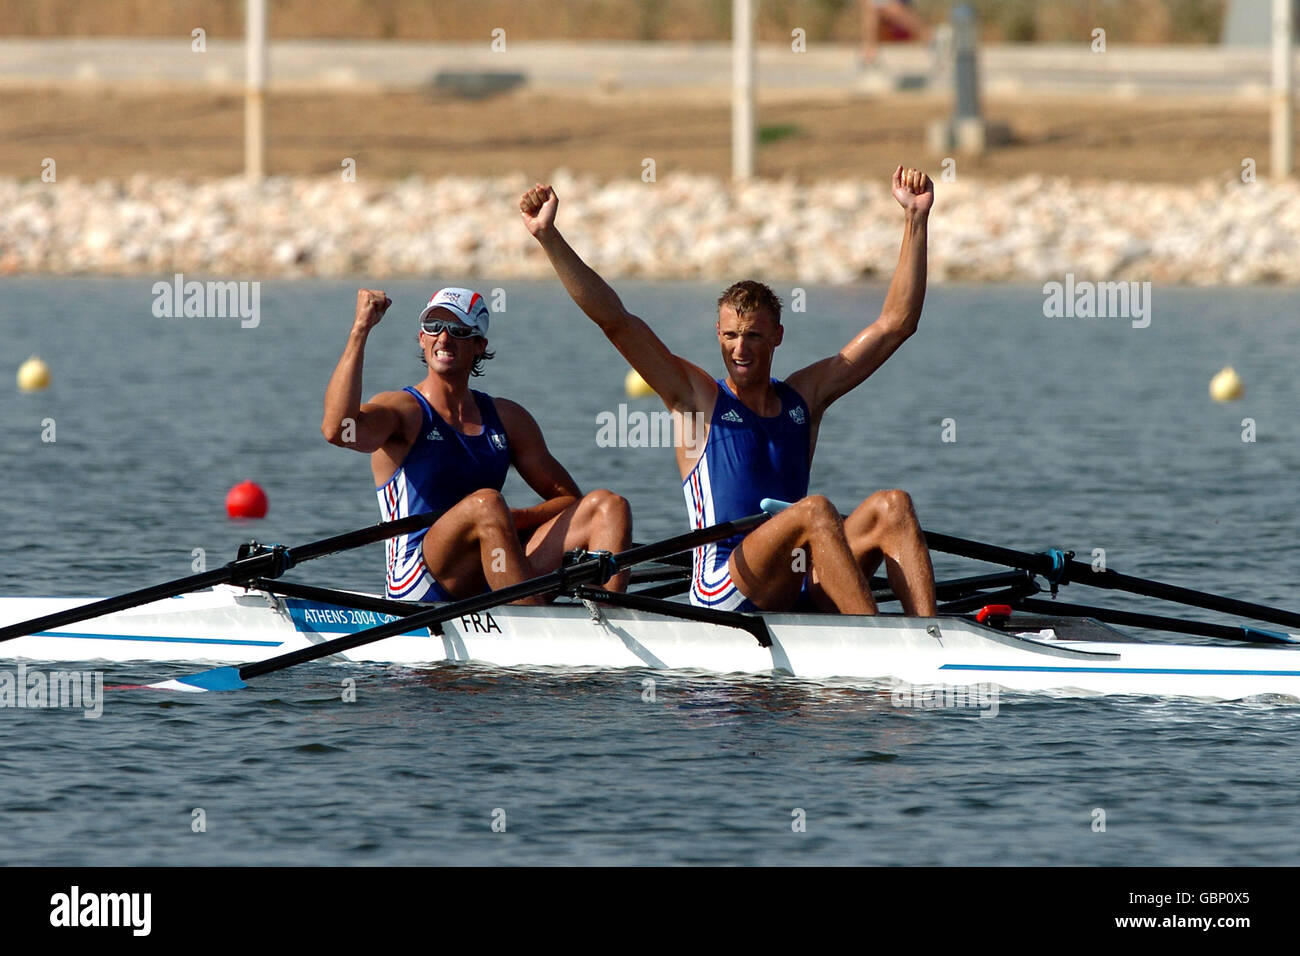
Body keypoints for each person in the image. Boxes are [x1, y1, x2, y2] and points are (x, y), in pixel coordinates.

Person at [519, 167, 937, 616]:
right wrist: (549, 237)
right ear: (718, 332)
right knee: (815, 511)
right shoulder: (695, 399)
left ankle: (932, 642)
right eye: (731, 335)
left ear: (777, 336)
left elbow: (896, 325)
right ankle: (878, 646)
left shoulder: (805, 397)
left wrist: (915, 219)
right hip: (723, 588)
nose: (740, 349)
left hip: (795, 575)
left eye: (754, 336)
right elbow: (616, 320)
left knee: (894, 506)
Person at [322, 286, 631, 603]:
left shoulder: (508, 418)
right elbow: (337, 431)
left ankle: (610, 619)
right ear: (421, 338)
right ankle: (532, 621)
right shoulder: (403, 411)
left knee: (608, 506)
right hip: (418, 583)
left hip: (492, 569)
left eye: (458, 330)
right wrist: (360, 329)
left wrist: (514, 520)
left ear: (479, 346)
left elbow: (568, 500)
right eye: (434, 327)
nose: (443, 338)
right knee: (487, 504)